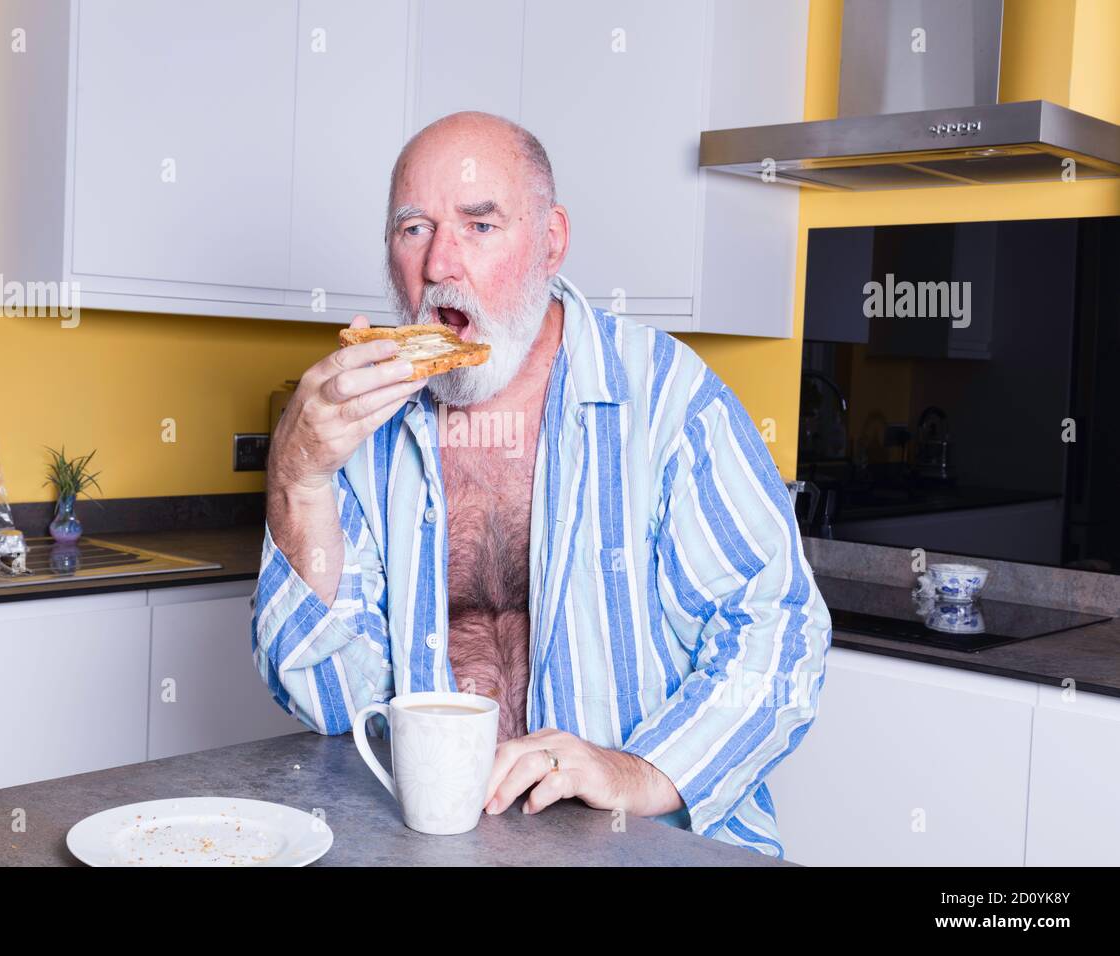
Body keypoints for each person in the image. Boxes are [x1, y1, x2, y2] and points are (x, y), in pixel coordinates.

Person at [253, 111, 831, 857]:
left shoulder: (666, 399)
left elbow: (781, 634)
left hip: (648, 849)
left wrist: (640, 771)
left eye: (480, 225)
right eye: (413, 229)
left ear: (551, 242)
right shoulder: (362, 429)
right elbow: (329, 701)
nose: (438, 266)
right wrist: (299, 483)